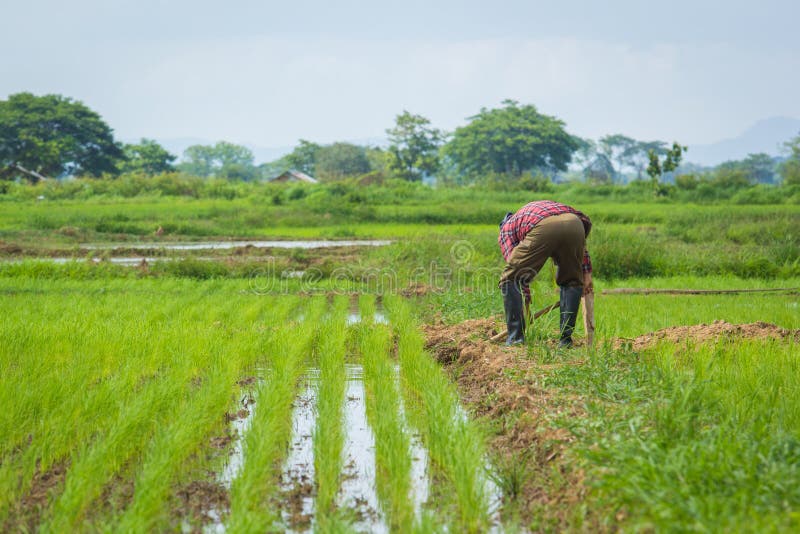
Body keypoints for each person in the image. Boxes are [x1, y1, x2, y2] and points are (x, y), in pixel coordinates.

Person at [498, 200, 593, 347]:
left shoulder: (507, 229)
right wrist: (586, 276)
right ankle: (565, 341)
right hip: (575, 223)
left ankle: (515, 339)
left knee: (509, 279)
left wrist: (526, 295)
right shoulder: (531, 211)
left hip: (545, 226)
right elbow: (582, 251)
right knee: (572, 282)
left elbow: (514, 271)